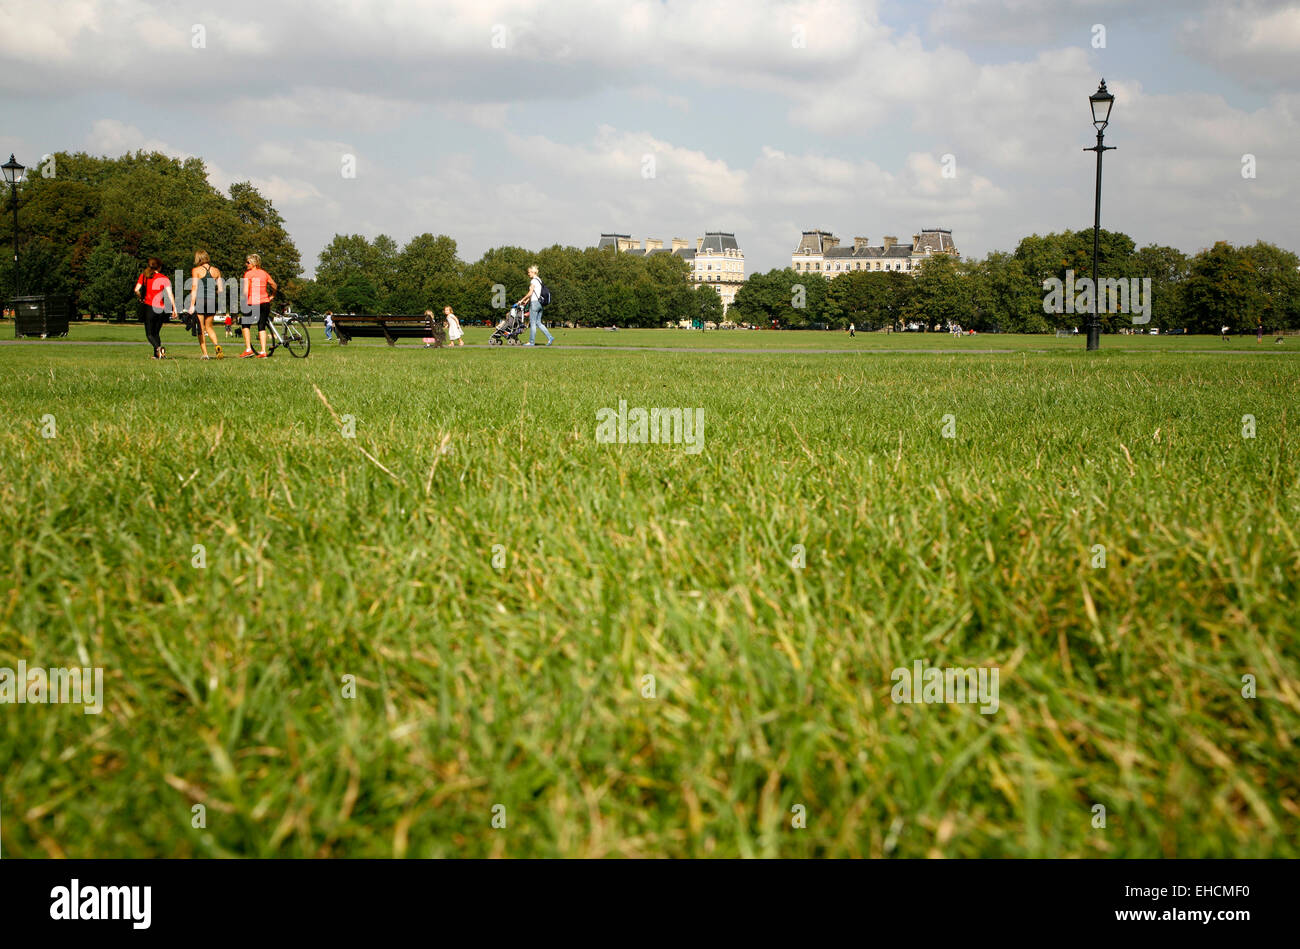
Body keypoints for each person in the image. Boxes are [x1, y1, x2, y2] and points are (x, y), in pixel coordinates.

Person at [133, 257, 179, 359]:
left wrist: (141, 298)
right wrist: (174, 308)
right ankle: (157, 355)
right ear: (159, 267)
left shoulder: (144, 276)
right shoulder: (164, 278)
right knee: (156, 333)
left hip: (149, 307)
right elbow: (170, 294)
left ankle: (159, 349)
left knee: (149, 334)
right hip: (161, 309)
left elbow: (136, 290)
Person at [187, 250, 224, 360]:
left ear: (198, 259)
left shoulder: (196, 270)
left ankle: (205, 354)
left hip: (200, 300)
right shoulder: (216, 271)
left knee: (201, 328)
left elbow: (194, 288)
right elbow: (221, 290)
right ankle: (217, 345)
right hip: (212, 301)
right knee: (209, 327)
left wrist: (191, 305)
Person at [240, 254, 277, 358]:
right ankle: (263, 351)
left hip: (253, 302)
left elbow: (245, 291)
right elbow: (274, 285)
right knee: (262, 326)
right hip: (265, 302)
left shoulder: (248, 274)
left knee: (245, 324)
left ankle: (248, 349)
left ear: (254, 263)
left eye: (248, 262)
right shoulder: (264, 273)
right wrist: (272, 295)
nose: (246, 264)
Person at [516, 264, 553, 347]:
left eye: (529, 272)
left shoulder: (533, 281)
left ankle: (531, 342)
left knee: (532, 323)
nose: (528, 274)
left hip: (535, 304)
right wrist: (526, 301)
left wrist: (521, 300)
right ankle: (550, 337)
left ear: (533, 272)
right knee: (538, 323)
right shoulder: (539, 280)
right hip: (540, 304)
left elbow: (530, 293)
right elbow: (535, 293)